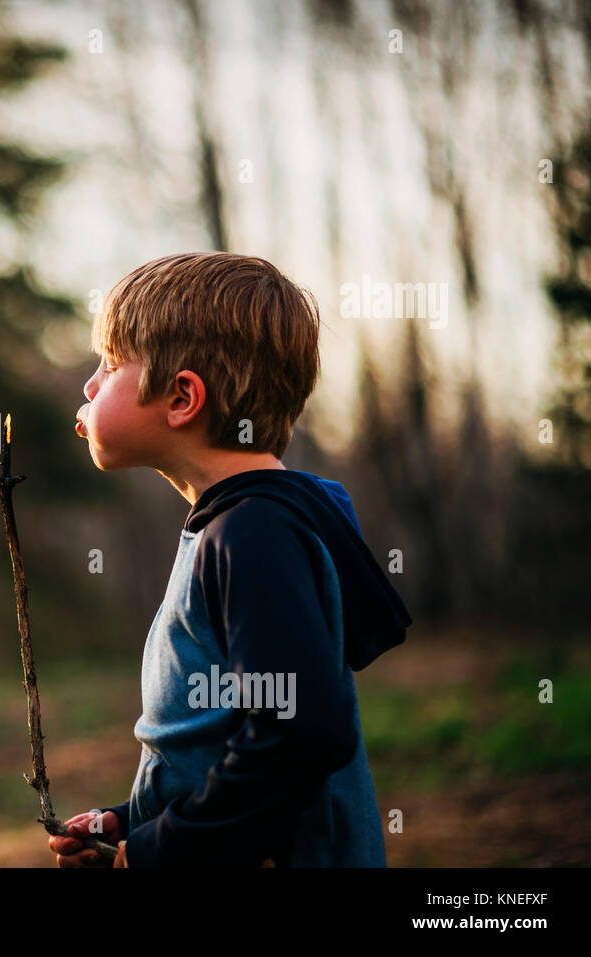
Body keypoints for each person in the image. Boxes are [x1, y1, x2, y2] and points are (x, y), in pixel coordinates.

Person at [52, 252, 411, 868]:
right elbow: (223, 739)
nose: (89, 386)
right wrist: (131, 820)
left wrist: (159, 851)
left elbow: (297, 734)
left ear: (182, 398)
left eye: (109, 365)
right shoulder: (250, 522)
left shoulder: (251, 535)